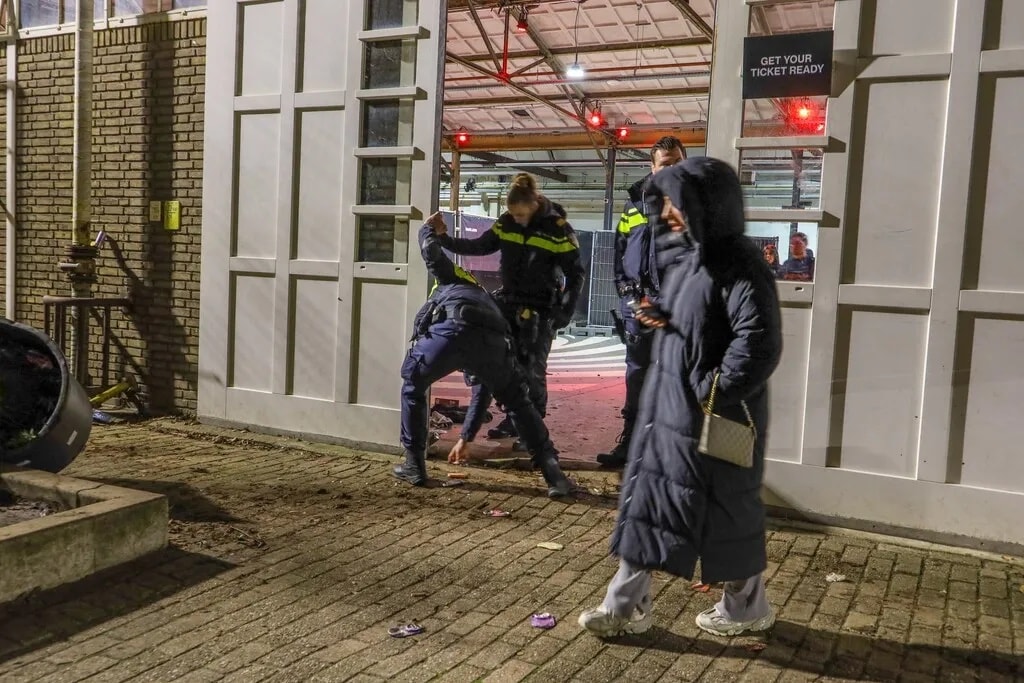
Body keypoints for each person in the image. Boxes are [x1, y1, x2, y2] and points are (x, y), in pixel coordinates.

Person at [578, 157, 783, 638]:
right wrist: (663, 314)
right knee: (652, 504)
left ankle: (746, 609)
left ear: (707, 207)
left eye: (677, 203)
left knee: (725, 512)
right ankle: (624, 605)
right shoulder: (693, 257)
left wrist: (710, 389)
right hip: (673, 412)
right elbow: (698, 318)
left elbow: (758, 343)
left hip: (719, 415)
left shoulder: (740, 264)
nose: (668, 213)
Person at [395, 212, 572, 498]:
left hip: (450, 330)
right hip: (493, 342)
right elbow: (482, 391)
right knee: (518, 403)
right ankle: (555, 478)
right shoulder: (486, 299)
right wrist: (465, 437)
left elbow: (430, 251)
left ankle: (414, 465)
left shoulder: (452, 278)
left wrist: (427, 229)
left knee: (413, 385)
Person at [437, 173, 585, 443]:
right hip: (510, 303)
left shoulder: (558, 229)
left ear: (533, 205)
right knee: (503, 364)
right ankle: (514, 419)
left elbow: (576, 275)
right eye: (513, 214)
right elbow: (480, 245)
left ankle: (533, 430)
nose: (516, 219)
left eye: (520, 214)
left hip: (542, 309)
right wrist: (444, 240)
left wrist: (564, 312)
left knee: (532, 369)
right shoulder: (506, 223)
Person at [596, 136, 685, 468]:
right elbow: (621, 256)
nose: (672, 168)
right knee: (636, 380)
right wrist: (629, 297)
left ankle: (666, 454)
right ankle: (630, 446)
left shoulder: (692, 205)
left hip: (675, 310)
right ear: (653, 167)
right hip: (638, 308)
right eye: (666, 163)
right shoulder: (634, 205)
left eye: (678, 161)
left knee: (676, 381)